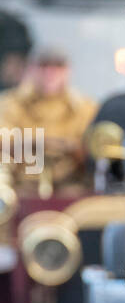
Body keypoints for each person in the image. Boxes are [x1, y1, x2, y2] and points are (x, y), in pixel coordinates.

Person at [0, 46, 96, 194]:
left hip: (71, 188)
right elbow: (3, 142)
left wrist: (71, 148)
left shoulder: (85, 107)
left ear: (68, 71)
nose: (50, 74)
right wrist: (34, 144)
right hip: (20, 188)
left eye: (58, 66)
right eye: (43, 66)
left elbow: (94, 150)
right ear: (31, 69)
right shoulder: (10, 104)